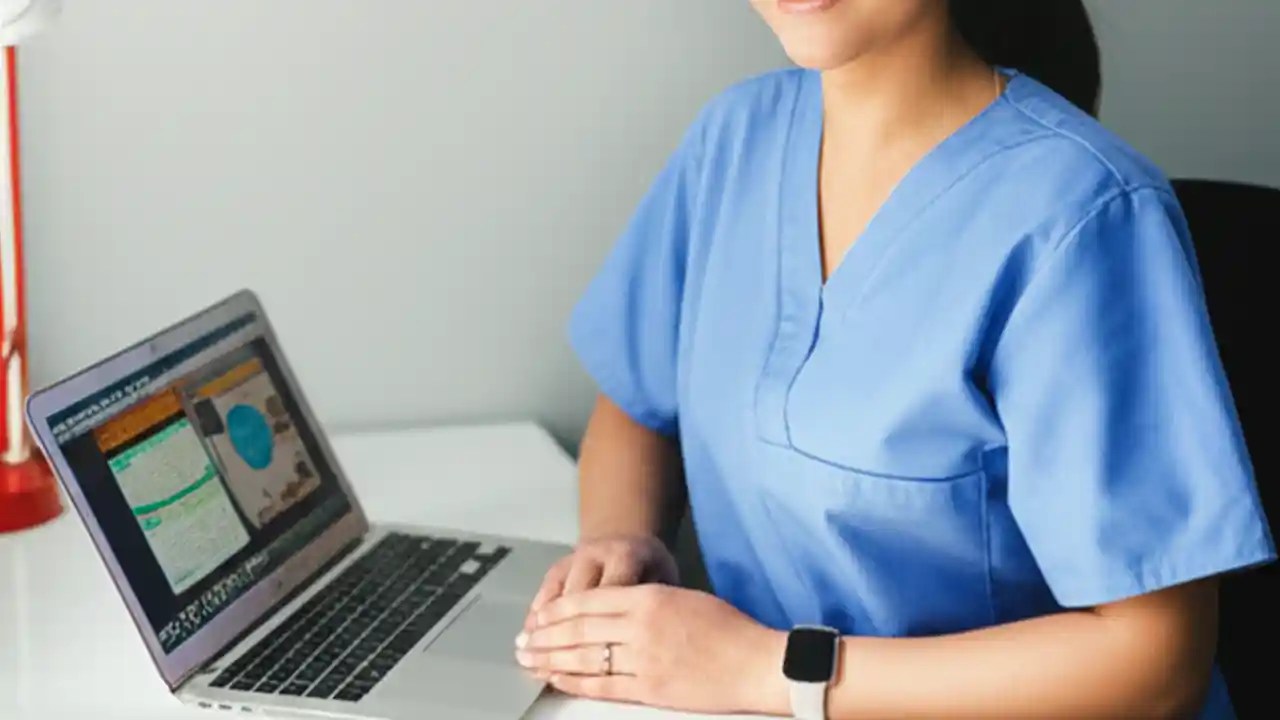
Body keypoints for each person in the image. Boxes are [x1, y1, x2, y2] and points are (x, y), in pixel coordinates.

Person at [514, 0, 1275, 717]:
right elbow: (636, 401)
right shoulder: (733, 139)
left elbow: (1158, 662)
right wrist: (621, 539)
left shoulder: (1080, 214)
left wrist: (764, 667)